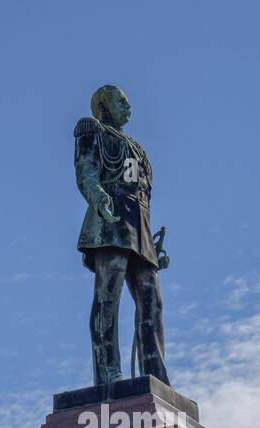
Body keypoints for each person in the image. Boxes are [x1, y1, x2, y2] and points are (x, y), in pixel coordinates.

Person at [74, 84, 171, 385]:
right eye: (121, 101)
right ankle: (108, 371)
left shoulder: (135, 147)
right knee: (108, 296)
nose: (128, 106)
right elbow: (86, 172)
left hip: (137, 227)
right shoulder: (92, 131)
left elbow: (136, 190)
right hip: (110, 220)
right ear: (104, 106)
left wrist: (151, 243)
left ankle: (155, 372)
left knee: (151, 299)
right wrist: (98, 197)